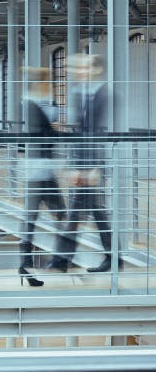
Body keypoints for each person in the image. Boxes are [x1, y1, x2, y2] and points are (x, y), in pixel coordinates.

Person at [47, 54, 116, 273]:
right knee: (93, 211)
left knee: (79, 213)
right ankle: (112, 258)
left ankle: (61, 261)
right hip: (85, 163)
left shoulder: (103, 95)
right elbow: (81, 132)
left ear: (96, 70)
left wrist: (89, 168)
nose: (79, 72)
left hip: (90, 165)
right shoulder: (85, 93)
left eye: (84, 68)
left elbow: (95, 134)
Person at [18, 67, 66, 287]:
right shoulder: (31, 104)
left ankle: (33, 263)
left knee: (36, 216)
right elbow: (42, 134)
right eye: (48, 82)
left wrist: (52, 128)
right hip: (39, 170)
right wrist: (54, 129)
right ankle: (55, 259)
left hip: (41, 169)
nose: (51, 87)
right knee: (45, 215)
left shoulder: (36, 103)